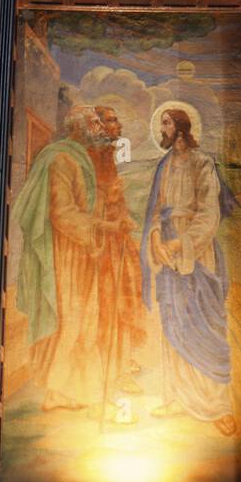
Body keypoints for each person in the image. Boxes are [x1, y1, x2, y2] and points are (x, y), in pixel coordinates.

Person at [12, 104, 131, 414]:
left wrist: (111, 204)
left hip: (84, 250)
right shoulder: (61, 158)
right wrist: (106, 226)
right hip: (66, 255)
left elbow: (87, 203)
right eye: (94, 123)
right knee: (71, 321)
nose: (100, 128)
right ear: (78, 127)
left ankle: (75, 388)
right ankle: (56, 390)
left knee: (86, 321)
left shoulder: (81, 159)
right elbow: (63, 214)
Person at [140, 107, 237, 436]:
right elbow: (154, 211)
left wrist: (182, 244)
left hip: (195, 253)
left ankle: (216, 405)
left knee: (205, 324)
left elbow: (209, 214)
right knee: (173, 322)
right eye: (160, 124)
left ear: (180, 128)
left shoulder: (202, 163)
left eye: (165, 124)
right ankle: (178, 397)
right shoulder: (163, 166)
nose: (161, 130)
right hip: (167, 254)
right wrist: (156, 238)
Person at [90, 105, 147, 397]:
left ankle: (122, 362)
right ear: (98, 125)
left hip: (117, 243)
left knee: (125, 301)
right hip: (102, 248)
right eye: (112, 120)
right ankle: (114, 371)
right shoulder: (92, 157)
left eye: (116, 119)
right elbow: (88, 205)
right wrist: (110, 199)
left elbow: (112, 201)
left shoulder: (107, 156)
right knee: (110, 306)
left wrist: (121, 213)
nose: (118, 126)